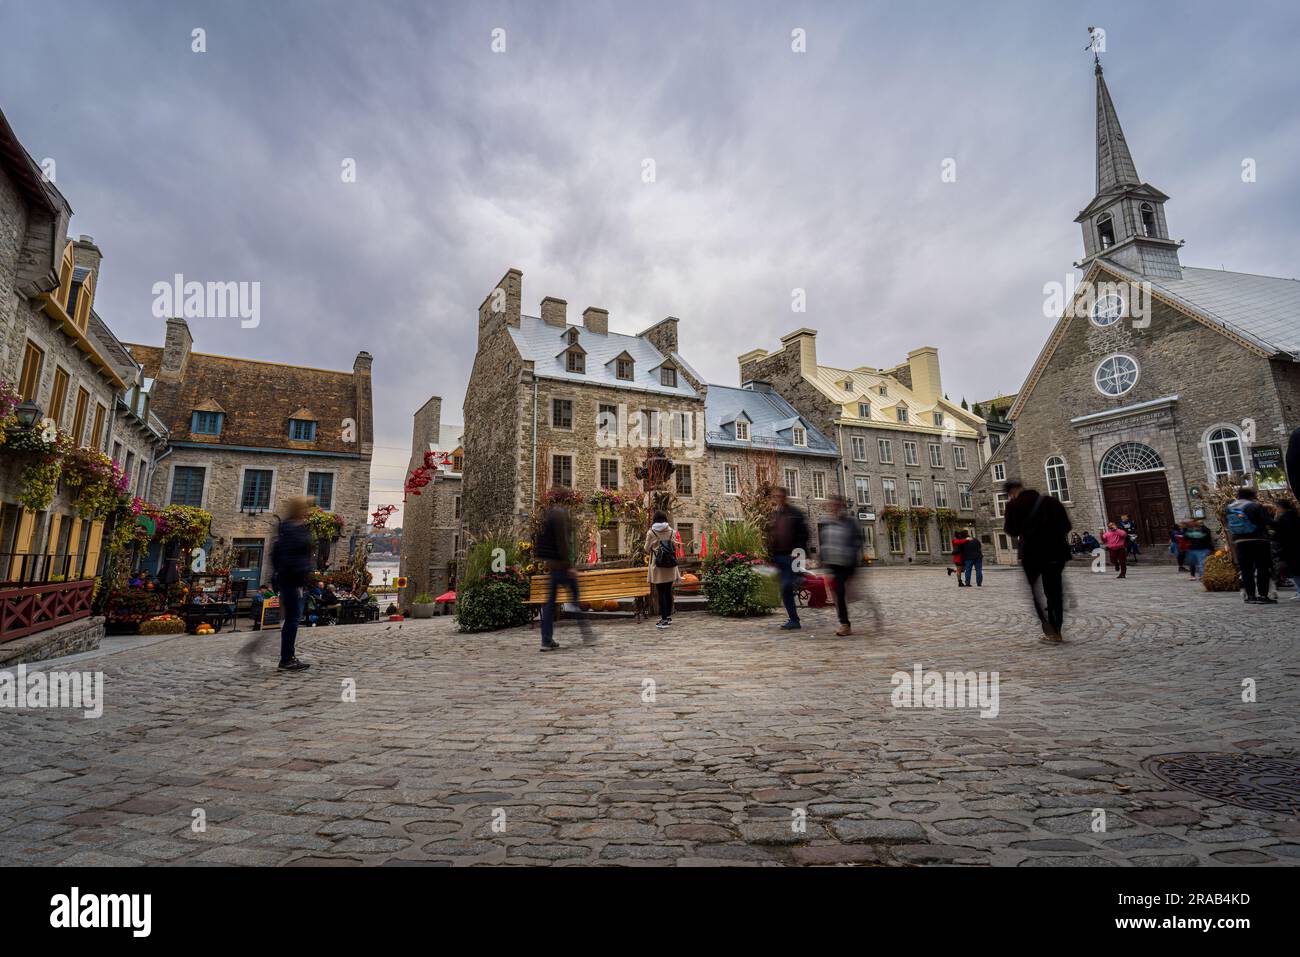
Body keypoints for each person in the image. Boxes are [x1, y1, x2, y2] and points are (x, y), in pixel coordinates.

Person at [1003, 480, 1072, 643]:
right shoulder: (1052, 501)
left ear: (1012, 493)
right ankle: (1058, 630)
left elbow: (1011, 530)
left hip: (1032, 554)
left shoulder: (1014, 505)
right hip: (1056, 552)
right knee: (1054, 591)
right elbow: (1067, 526)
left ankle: (1049, 630)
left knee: (1035, 592)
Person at [535, 503, 592, 650]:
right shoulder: (560, 517)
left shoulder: (549, 517)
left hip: (553, 567)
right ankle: (587, 634)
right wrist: (569, 566)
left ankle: (546, 640)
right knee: (575, 600)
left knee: (549, 605)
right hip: (563, 567)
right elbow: (563, 543)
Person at [267, 496, 314, 670]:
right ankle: (287, 658)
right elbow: (286, 557)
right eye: (305, 508)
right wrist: (298, 575)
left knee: (293, 618)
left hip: (293, 579)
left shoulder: (291, 527)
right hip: (292, 580)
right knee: (293, 619)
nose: (308, 511)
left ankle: (288, 656)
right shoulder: (292, 529)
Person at [819, 496, 864, 635]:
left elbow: (858, 539)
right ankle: (844, 623)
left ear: (841, 506)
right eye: (831, 504)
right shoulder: (826, 522)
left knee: (841, 590)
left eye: (836, 504)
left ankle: (845, 623)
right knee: (838, 592)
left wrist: (849, 553)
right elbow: (824, 541)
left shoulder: (850, 522)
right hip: (833, 563)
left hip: (847, 562)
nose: (833, 507)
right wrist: (823, 558)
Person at [766, 486, 809, 630]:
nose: (777, 498)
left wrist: (797, 550)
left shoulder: (795, 513)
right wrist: (770, 557)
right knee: (784, 589)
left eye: (779, 496)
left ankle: (798, 578)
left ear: (784, 496)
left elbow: (804, 534)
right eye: (775, 496)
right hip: (779, 556)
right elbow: (772, 536)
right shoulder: (775, 514)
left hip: (793, 555)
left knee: (786, 586)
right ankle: (793, 619)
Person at [1225, 487, 1275, 604]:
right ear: (1252, 496)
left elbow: (1228, 524)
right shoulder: (1255, 506)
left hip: (1239, 541)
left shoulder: (1229, 508)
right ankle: (1263, 596)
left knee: (1246, 569)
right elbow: (1268, 522)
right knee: (1262, 568)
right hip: (1258, 540)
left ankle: (1251, 596)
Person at [645, 511, 680, 629]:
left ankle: (664, 619)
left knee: (661, 592)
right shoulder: (671, 531)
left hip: (658, 565)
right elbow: (674, 546)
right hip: (670, 565)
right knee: (668, 591)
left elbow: (646, 548)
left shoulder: (651, 532)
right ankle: (668, 617)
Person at [1273, 498, 1300, 600]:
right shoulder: (1295, 515)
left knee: (1294, 571)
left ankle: (1299, 591)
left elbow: (1280, 534)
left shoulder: (1284, 518)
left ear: (1281, 507)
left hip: (1290, 548)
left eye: (1277, 508)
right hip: (1295, 546)